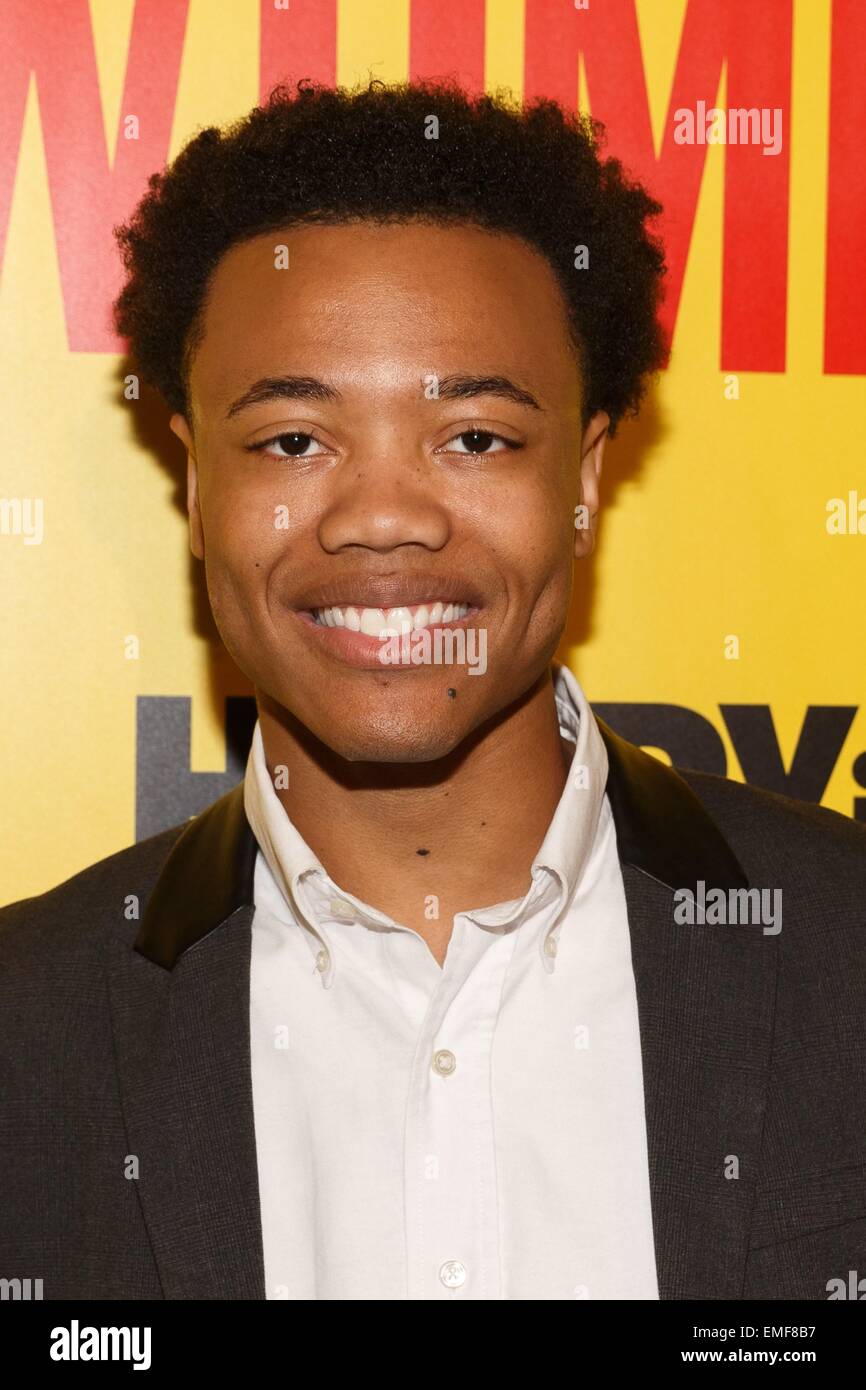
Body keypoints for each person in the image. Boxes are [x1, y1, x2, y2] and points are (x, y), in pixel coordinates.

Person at [1, 80, 864, 1302]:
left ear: (588, 471)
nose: (385, 519)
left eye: (475, 437)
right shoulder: (26, 1028)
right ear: (196, 489)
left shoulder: (844, 947)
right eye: (294, 438)